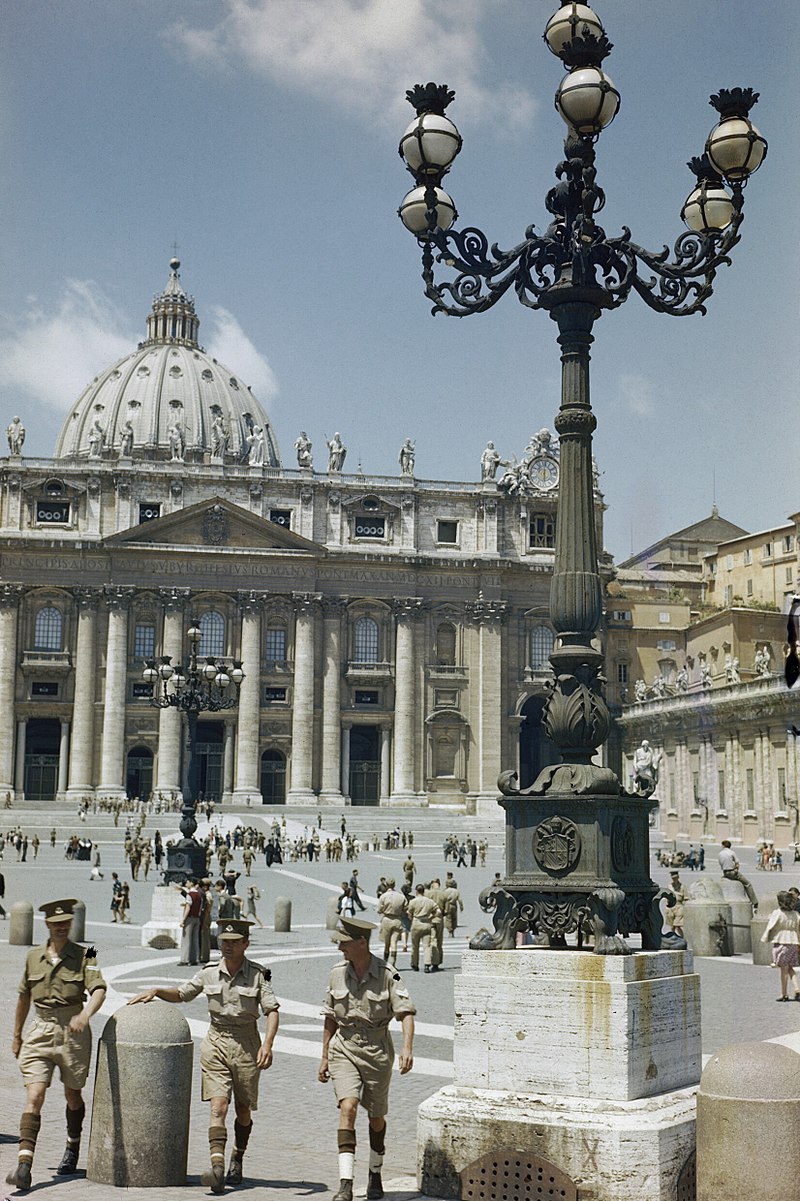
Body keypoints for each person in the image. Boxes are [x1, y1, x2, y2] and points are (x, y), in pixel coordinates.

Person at [129, 918, 279, 1192]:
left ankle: (238, 1156)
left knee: (243, 1110)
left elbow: (272, 1011)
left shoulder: (261, 974)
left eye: (234, 943)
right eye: (224, 942)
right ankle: (217, 1167)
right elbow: (184, 993)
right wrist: (157, 991)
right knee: (218, 1106)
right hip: (216, 1042)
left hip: (247, 1044)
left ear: (246, 944)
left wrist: (267, 1044)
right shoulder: (209, 971)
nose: (227, 947)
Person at [7, 898, 106, 1191]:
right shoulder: (32, 956)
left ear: (71, 924)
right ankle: (24, 1166)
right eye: (56, 923)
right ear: (47, 925)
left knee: (72, 1094)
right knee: (35, 1095)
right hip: (41, 1029)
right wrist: (16, 1036)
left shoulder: (88, 951)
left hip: (73, 1032)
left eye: (66, 922)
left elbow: (99, 988)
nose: (62, 927)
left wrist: (85, 1014)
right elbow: (23, 997)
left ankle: (72, 1146)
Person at [318, 917, 416, 1201]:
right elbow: (329, 1017)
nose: (340, 948)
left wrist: (407, 1048)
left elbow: (406, 1012)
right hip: (345, 1047)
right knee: (348, 1107)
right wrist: (324, 1056)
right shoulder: (336, 973)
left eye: (344, 943)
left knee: (376, 1118)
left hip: (377, 1052)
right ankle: (345, 1184)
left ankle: (375, 1173)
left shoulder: (390, 974)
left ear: (362, 942)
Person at [761, 892, 800, 1001]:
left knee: (783, 969)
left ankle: (784, 994)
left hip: (782, 941)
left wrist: (765, 937)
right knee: (790, 967)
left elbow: (770, 926)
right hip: (793, 942)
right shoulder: (796, 914)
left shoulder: (777, 913)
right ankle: (797, 989)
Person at [407, 883, 440, 973]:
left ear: (416, 891)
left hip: (416, 922)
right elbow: (438, 911)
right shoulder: (429, 901)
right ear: (424, 891)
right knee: (427, 946)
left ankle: (415, 964)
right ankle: (427, 964)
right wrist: (431, 916)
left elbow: (409, 913)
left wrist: (412, 918)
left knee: (415, 946)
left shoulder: (413, 901)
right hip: (426, 923)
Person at [718, 840, 758, 909]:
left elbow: (721, 864)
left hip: (725, 872)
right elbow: (737, 863)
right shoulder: (732, 852)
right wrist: (736, 870)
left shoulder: (720, 854)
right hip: (732, 872)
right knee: (748, 884)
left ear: (723, 846)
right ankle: (754, 902)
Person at [376, 879, 407, 965]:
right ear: (394, 884)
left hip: (386, 919)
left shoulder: (383, 896)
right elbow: (405, 908)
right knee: (394, 942)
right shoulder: (401, 896)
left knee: (387, 943)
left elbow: (379, 910)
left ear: (386, 885)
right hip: (397, 919)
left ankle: (385, 961)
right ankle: (393, 962)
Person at [179, 878, 203, 965]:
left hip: (190, 918)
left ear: (192, 883)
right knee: (194, 939)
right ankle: (194, 958)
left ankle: (185, 959)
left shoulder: (190, 894)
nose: (186, 883)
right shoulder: (199, 894)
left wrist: (183, 920)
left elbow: (188, 907)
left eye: (188, 882)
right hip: (197, 917)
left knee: (186, 939)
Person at [666, 872, 688, 938]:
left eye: (675, 878)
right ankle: (673, 938)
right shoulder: (669, 886)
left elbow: (686, 898)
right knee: (672, 926)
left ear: (678, 878)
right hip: (671, 907)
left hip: (679, 906)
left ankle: (682, 938)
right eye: (673, 878)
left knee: (678, 925)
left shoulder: (683, 887)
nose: (674, 879)